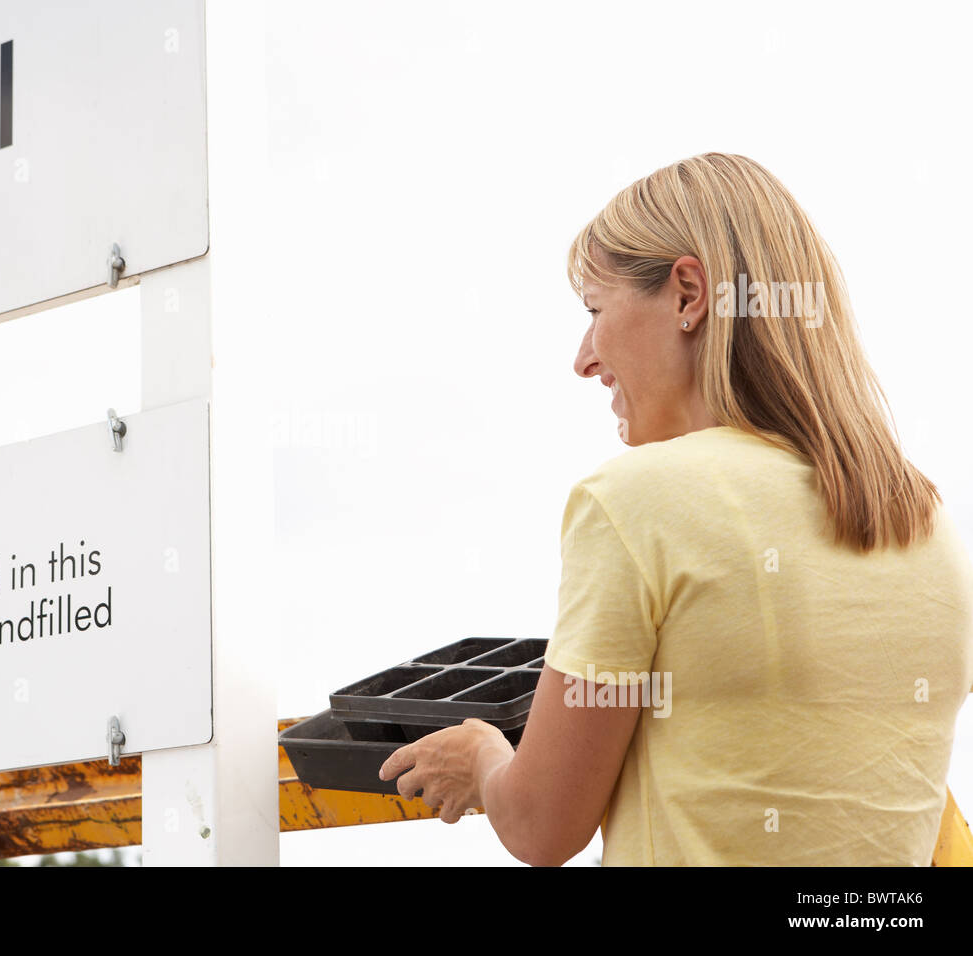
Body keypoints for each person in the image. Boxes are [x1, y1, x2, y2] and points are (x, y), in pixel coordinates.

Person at [378, 152, 973, 866]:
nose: (584, 358)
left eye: (596, 311)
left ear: (688, 294)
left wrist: (481, 757)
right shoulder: (922, 517)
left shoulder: (637, 500)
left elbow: (541, 827)